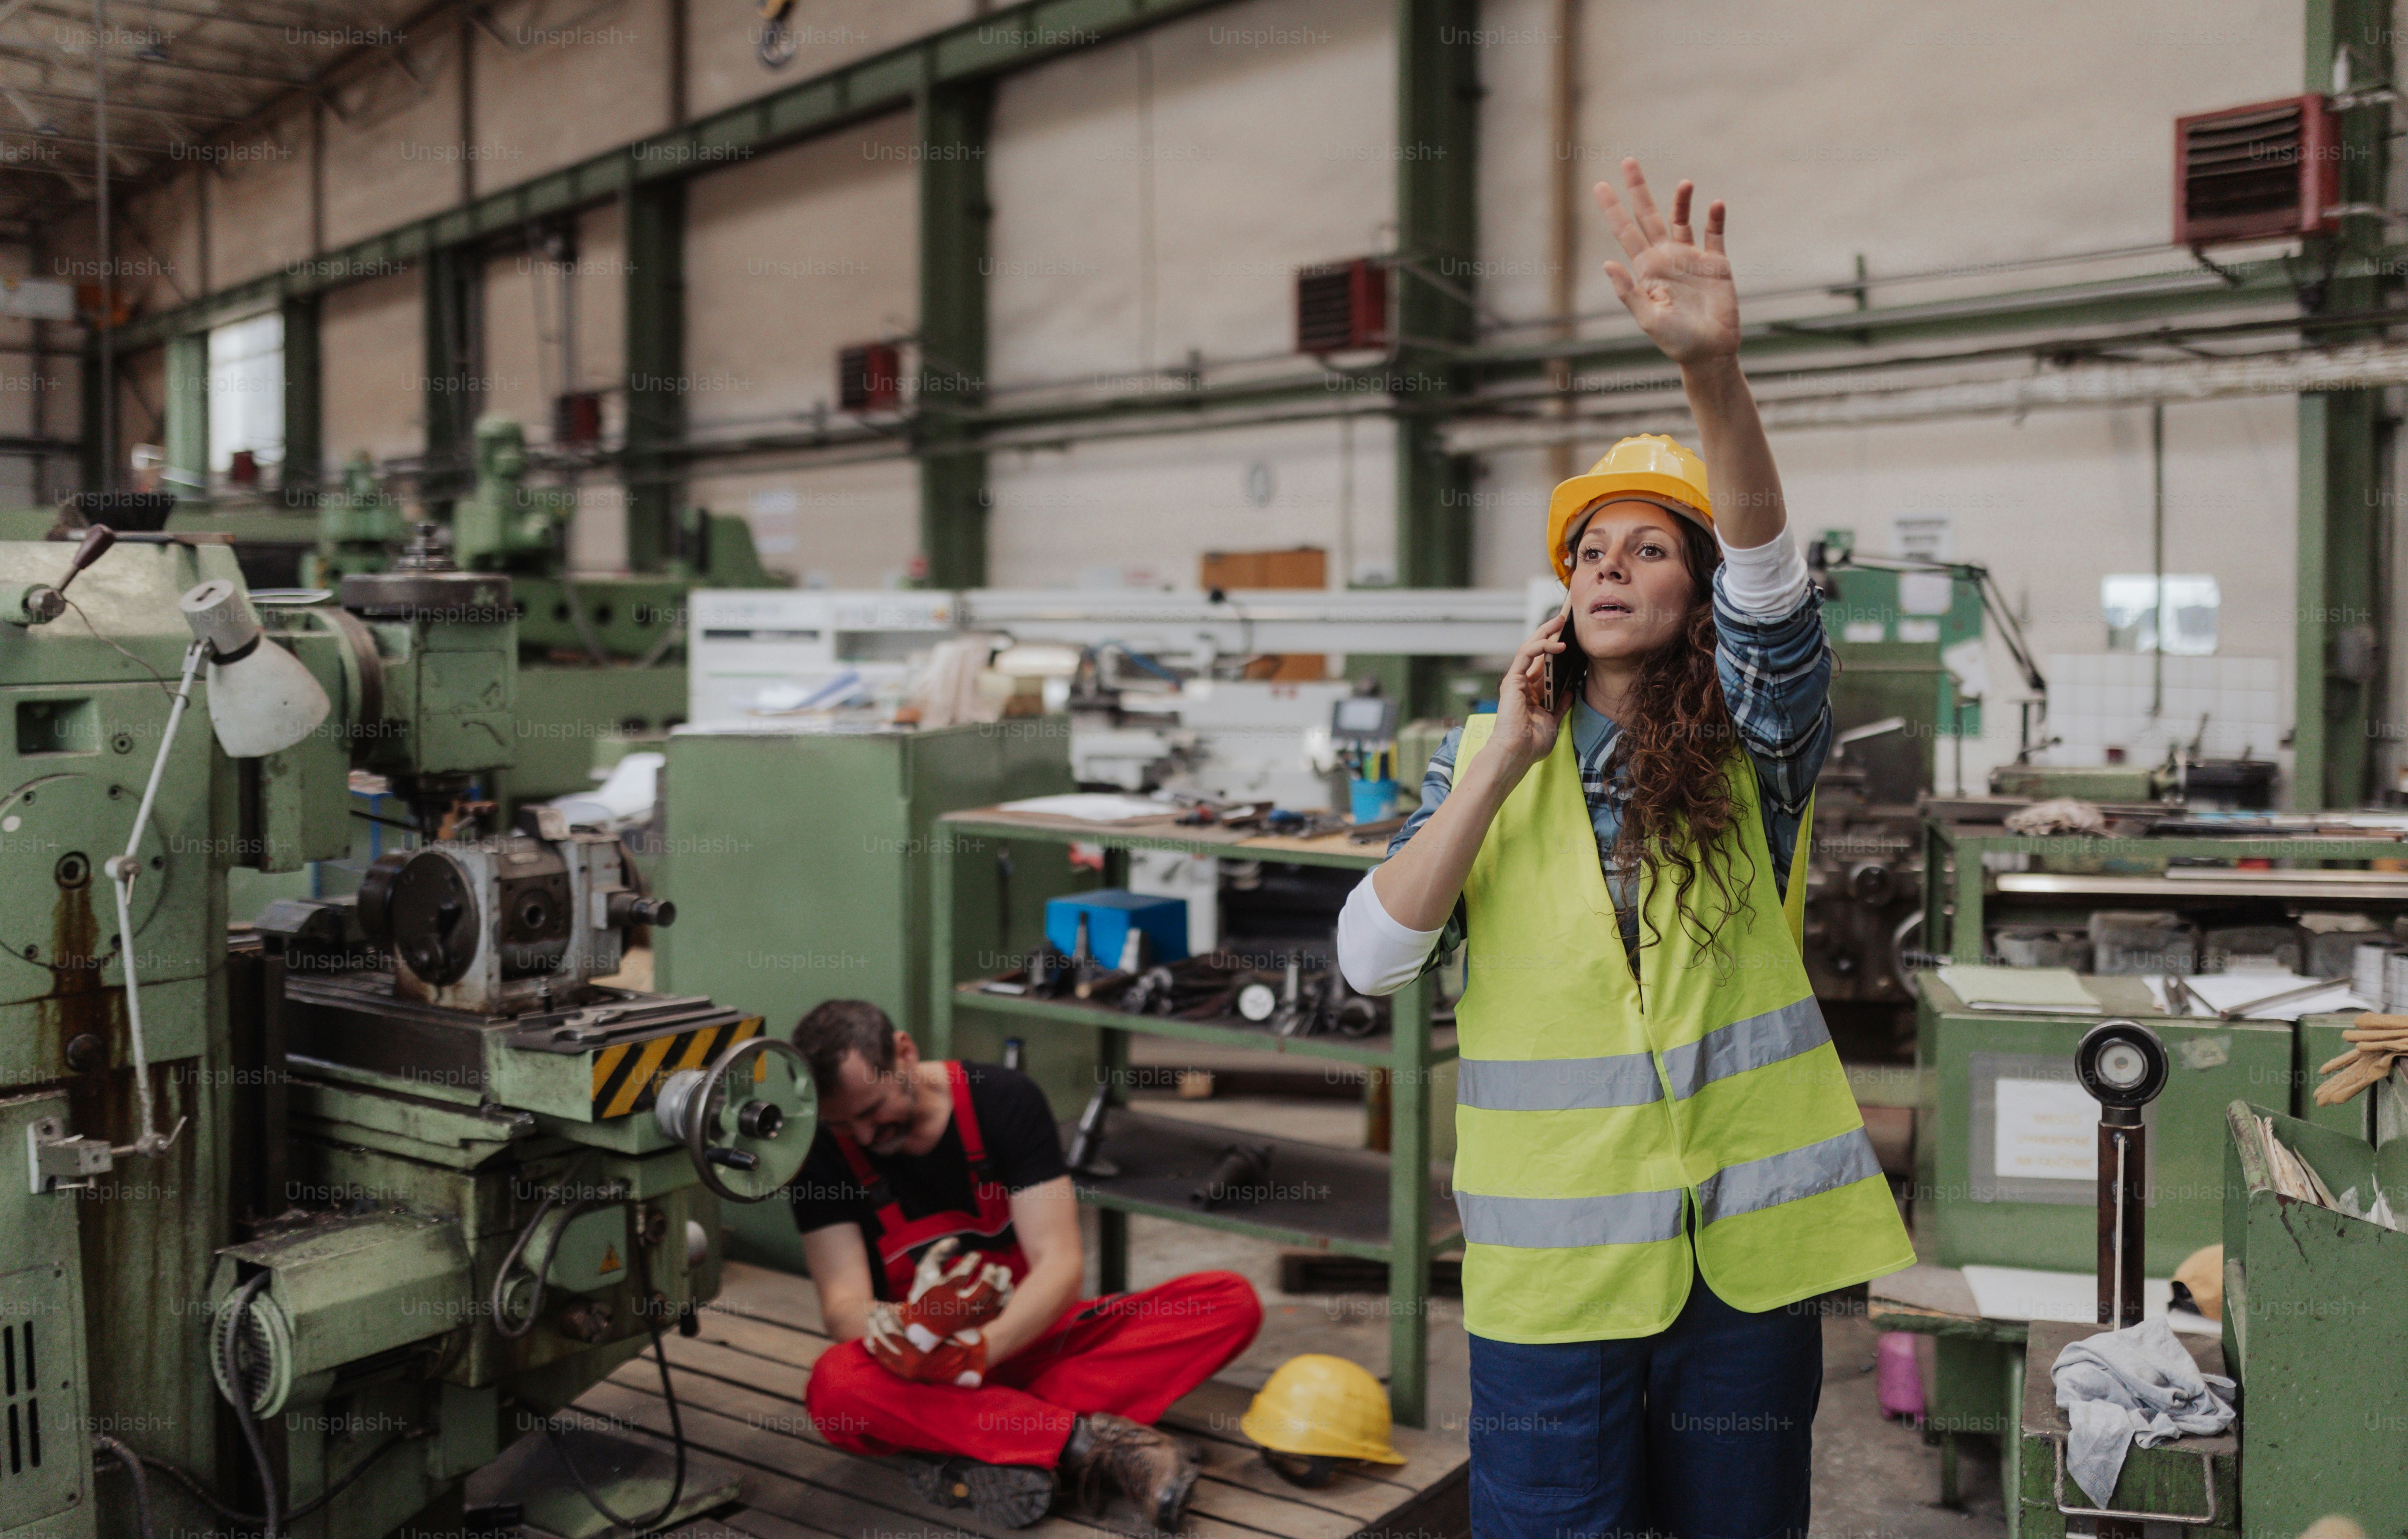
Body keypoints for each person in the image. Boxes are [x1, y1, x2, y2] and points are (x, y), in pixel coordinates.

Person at [1336, 159, 1914, 1539]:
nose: (1604, 564)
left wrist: (1712, 372)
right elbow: (1370, 955)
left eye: (1647, 547)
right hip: (1555, 1281)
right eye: (1586, 547)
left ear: (1692, 587)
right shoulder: (1489, 753)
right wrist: (1499, 767)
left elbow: (1775, 594)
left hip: (1739, 1270)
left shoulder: (1752, 749)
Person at [788, 999, 1264, 1530]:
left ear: (904, 1052)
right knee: (835, 1389)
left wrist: (980, 1352)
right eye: (844, 1124)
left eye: (873, 1110)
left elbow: (1059, 1265)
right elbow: (843, 1306)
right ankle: (1086, 1442)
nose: (867, 1136)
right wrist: (911, 1329)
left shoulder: (1003, 1101)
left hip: (1029, 1337)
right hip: (921, 1370)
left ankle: (985, 1437)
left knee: (1228, 1301)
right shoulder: (820, 1154)